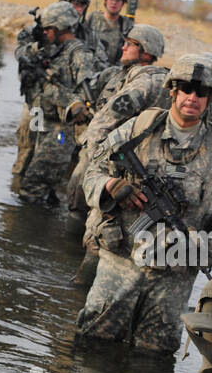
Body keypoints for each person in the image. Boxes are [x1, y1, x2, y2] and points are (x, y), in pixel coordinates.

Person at [76, 52, 212, 355]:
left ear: (211, 99)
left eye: (201, 92)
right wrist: (111, 185)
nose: (191, 97)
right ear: (172, 91)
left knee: (153, 360)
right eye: (185, 89)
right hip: (120, 263)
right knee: (92, 345)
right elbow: (93, 171)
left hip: (175, 278)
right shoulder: (138, 129)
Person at [65, 22, 166, 237]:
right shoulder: (116, 74)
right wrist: (76, 104)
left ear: (146, 51)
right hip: (107, 157)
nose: (123, 47)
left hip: (120, 163)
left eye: (130, 44)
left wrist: (95, 166)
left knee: (93, 220)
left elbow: (102, 125)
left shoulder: (147, 82)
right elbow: (83, 88)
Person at [14, 0, 97, 204]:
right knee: (32, 177)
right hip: (43, 121)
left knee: (34, 185)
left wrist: (69, 101)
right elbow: (22, 51)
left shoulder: (79, 53)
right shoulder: (51, 48)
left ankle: (28, 227)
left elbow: (86, 93)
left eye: (49, 29)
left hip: (61, 130)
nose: (45, 33)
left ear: (59, 28)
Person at [83, 0, 131, 65]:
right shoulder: (92, 18)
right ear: (105, 0)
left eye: (118, 0)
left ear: (122, 3)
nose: (114, 3)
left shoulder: (126, 24)